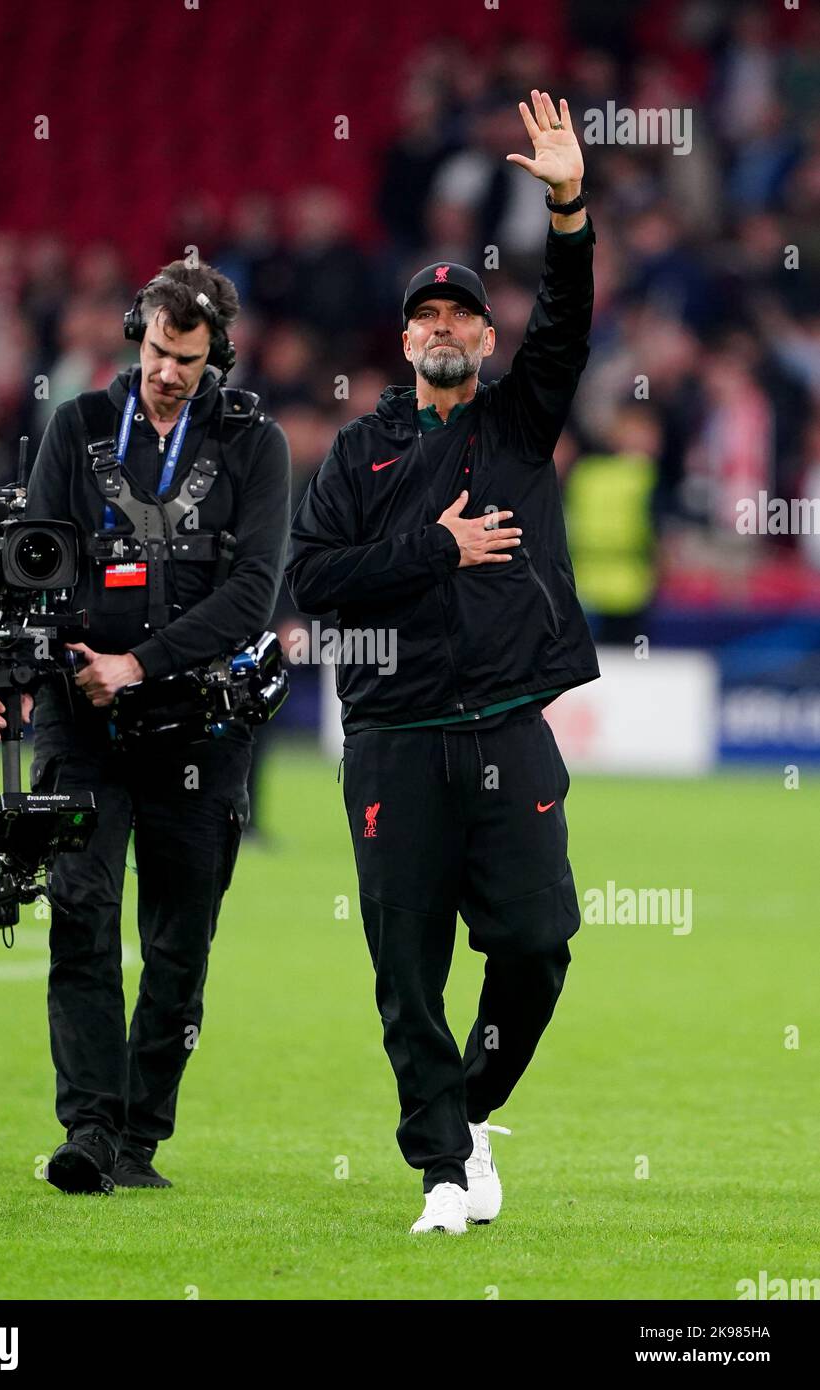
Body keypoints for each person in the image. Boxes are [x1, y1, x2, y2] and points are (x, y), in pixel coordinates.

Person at [286, 91, 599, 1234]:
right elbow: (313, 581)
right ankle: (437, 1175)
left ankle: (464, 1116)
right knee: (404, 973)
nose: (443, 330)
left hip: (505, 722)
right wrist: (436, 547)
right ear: (405, 339)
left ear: (481, 335)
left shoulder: (516, 424)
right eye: (426, 318)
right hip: (393, 738)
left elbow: (566, 320)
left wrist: (567, 205)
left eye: (461, 316)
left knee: (536, 944)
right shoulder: (355, 455)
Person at [0, 261, 291, 1194]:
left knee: (177, 945)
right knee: (79, 914)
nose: (167, 371)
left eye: (187, 359)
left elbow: (254, 593)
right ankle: (86, 1128)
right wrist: (22, 667)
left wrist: (142, 665)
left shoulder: (255, 444)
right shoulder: (76, 427)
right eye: (158, 350)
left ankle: (138, 1138)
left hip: (200, 730)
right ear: (138, 333)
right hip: (80, 724)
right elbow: (33, 557)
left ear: (218, 357)